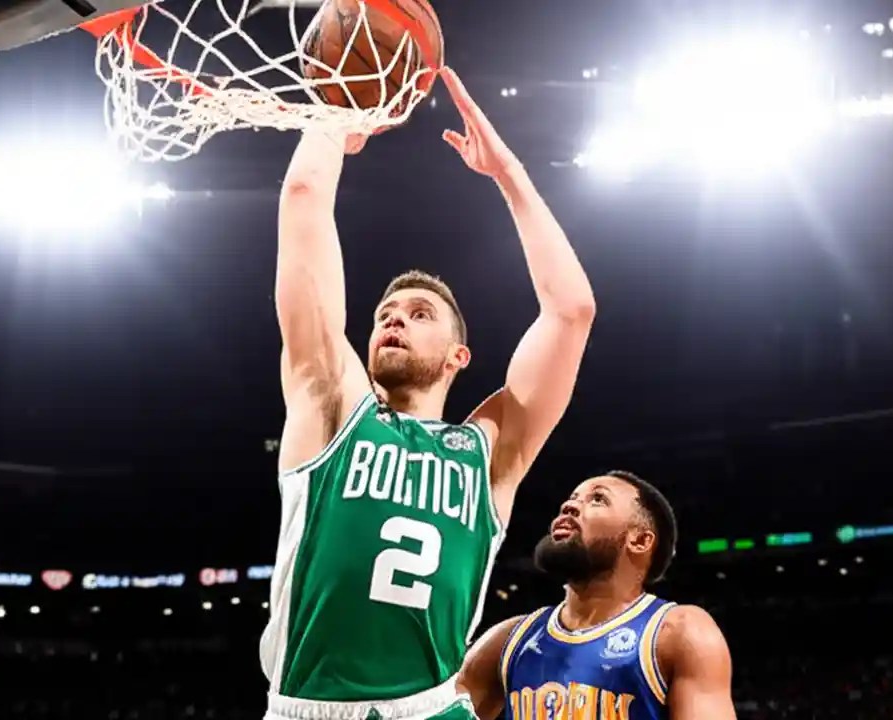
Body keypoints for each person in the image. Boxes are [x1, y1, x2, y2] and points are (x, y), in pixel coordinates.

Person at [260, 67, 596, 720]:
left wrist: (507, 173)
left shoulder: (489, 451)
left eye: (418, 314)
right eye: (387, 311)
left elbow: (572, 312)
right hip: (310, 707)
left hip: (431, 708)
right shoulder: (333, 409)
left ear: (457, 357)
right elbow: (303, 195)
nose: (393, 318)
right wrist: (334, 116)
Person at [456, 473, 736, 720]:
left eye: (598, 499)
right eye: (573, 497)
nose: (569, 505)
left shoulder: (678, 632)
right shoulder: (510, 639)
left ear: (639, 541)